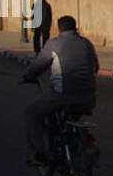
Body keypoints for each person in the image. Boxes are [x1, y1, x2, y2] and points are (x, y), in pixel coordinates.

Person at [22, 15, 99, 165]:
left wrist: (28, 76)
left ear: (59, 28)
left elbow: (38, 66)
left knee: (31, 111)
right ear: (75, 27)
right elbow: (95, 67)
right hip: (88, 96)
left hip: (62, 94)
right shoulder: (87, 44)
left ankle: (40, 153)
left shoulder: (54, 44)